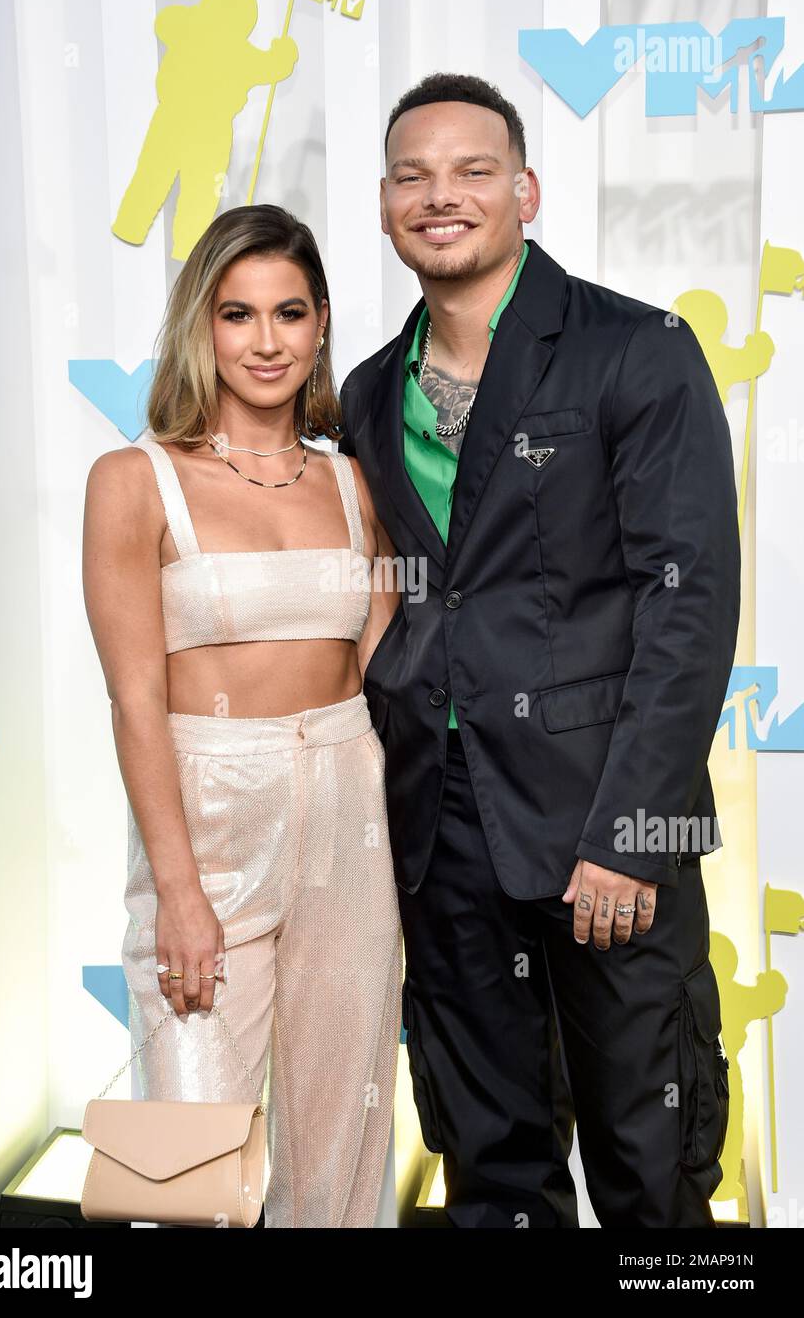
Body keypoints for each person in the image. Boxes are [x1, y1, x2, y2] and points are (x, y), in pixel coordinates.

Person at [337, 72, 740, 1228]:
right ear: (381, 205)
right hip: (441, 828)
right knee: (486, 1159)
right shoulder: (369, 394)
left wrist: (627, 836)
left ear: (525, 191)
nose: (439, 195)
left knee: (647, 1156)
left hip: (600, 822)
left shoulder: (636, 350)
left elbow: (687, 605)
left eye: (470, 171)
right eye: (412, 176)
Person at [83, 204, 402, 1229]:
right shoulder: (134, 481)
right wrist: (177, 887)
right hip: (210, 811)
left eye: (289, 313)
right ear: (199, 327)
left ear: (318, 328)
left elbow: (377, 660)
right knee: (184, 1162)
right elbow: (135, 696)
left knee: (341, 1134)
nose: (265, 340)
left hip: (350, 803)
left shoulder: (355, 481)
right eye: (236, 314)